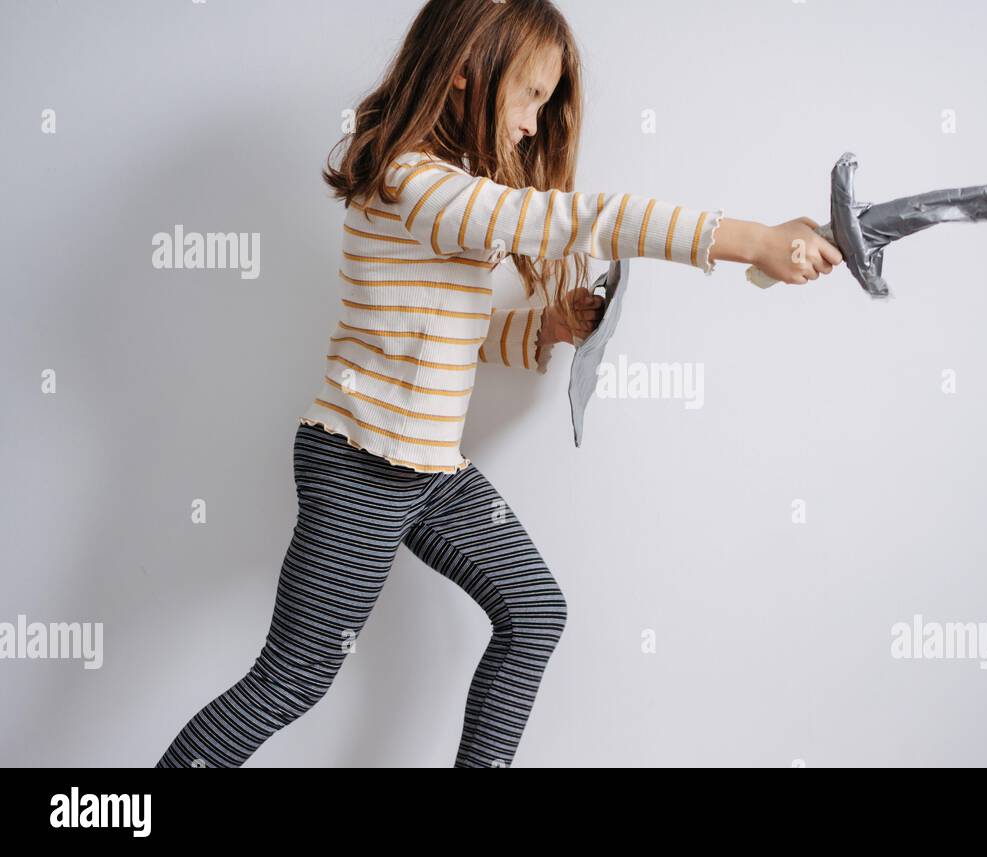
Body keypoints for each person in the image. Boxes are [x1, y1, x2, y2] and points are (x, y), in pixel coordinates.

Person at [155, 0, 842, 769]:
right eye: (529, 95)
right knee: (290, 681)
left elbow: (450, 336)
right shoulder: (411, 180)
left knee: (534, 612)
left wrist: (544, 330)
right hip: (362, 466)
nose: (531, 123)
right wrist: (750, 239)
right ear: (460, 71)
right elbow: (573, 220)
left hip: (425, 468)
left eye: (545, 104)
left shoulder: (445, 192)